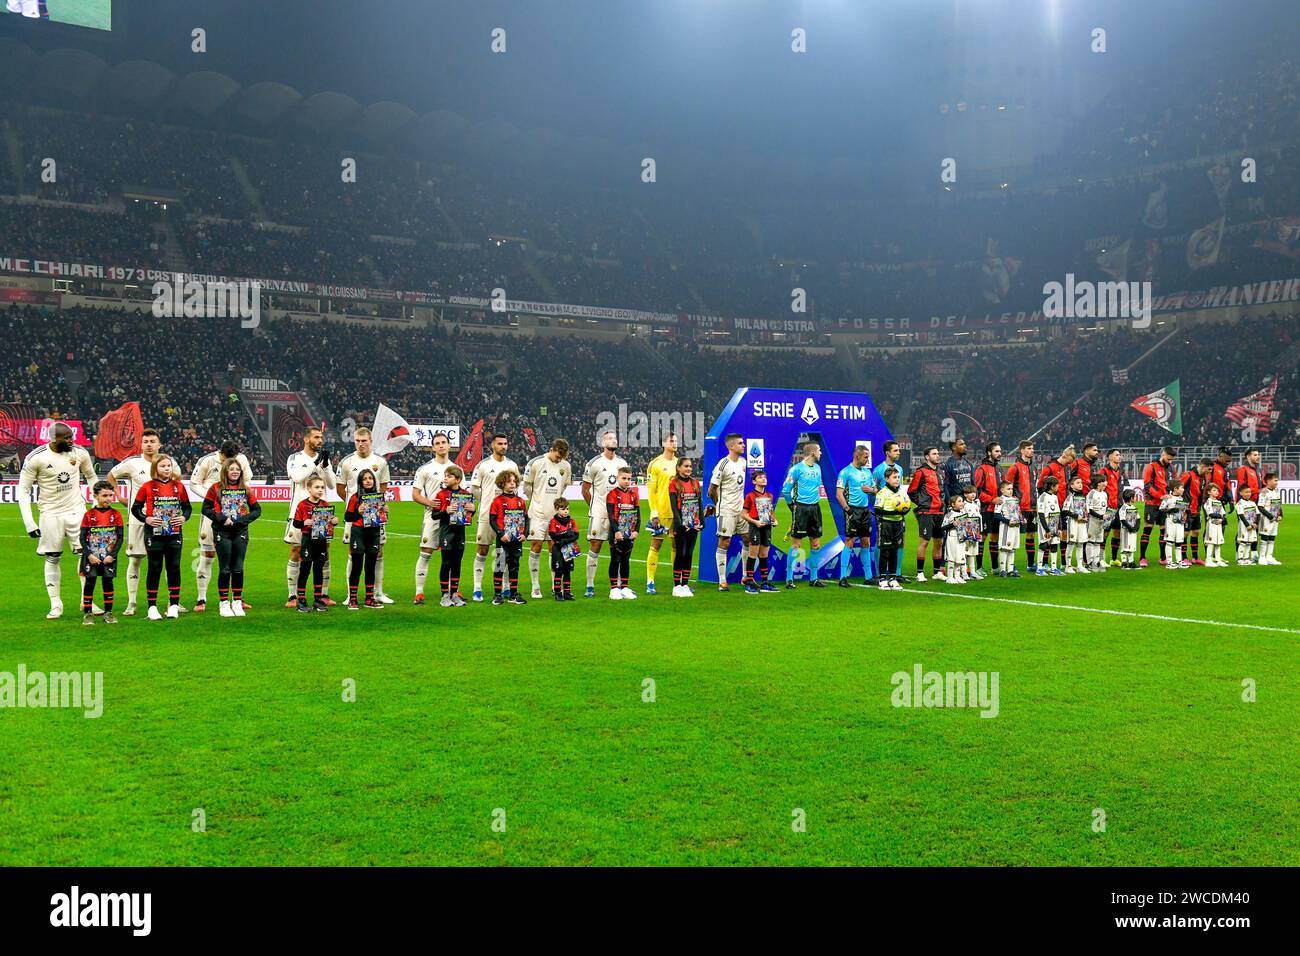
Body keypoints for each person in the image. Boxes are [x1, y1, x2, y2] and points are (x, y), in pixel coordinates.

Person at [19, 421, 98, 619]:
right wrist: (29, 522)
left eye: (72, 437)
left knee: (85, 555)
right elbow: (23, 490)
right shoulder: (36, 458)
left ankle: (86, 601)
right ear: (54, 439)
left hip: (76, 510)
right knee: (53, 557)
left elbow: (91, 476)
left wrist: (96, 505)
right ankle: (56, 604)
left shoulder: (79, 453)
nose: (72, 441)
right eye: (67, 438)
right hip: (50, 513)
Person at [188, 440, 252, 612]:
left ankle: (237, 598)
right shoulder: (207, 460)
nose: (229, 464)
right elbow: (194, 483)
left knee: (234, 558)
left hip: (236, 515)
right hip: (212, 516)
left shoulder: (242, 460)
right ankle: (201, 598)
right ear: (220, 454)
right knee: (207, 555)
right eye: (225, 460)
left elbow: (247, 483)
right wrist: (214, 499)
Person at [108, 427, 162, 615]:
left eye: (152, 441)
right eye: (146, 442)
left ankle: (173, 601)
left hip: (162, 520)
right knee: (136, 558)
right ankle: (131, 602)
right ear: (141, 444)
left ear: (159, 444)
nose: (149, 445)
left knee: (166, 560)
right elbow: (111, 476)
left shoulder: (167, 463)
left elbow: (176, 482)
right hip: (138, 518)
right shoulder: (132, 463)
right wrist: (119, 496)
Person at [131, 454, 192, 620]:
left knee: (174, 567)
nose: (167, 469)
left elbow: (187, 508)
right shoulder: (147, 486)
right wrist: (147, 519)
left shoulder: (178, 487)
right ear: (155, 468)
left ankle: (173, 605)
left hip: (174, 533)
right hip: (154, 533)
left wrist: (183, 518)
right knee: (155, 568)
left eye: (169, 466)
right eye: (163, 466)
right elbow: (135, 508)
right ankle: (152, 607)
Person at [336, 427, 393, 604]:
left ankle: (378, 592)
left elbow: (383, 486)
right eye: (357, 441)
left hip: (375, 517)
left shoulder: (380, 462)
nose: (361, 444)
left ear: (370, 441)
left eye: (364, 441)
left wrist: (377, 506)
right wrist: (354, 506)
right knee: (353, 552)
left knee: (379, 551)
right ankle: (350, 594)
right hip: (355, 517)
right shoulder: (346, 462)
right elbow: (340, 488)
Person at [201, 457, 261, 617]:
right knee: (225, 568)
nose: (234, 472)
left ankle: (237, 601)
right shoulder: (215, 488)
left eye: (237, 469)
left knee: (238, 568)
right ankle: (224, 602)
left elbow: (257, 510)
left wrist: (242, 520)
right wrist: (222, 518)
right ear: (225, 471)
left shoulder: (246, 490)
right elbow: (205, 508)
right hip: (222, 532)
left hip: (240, 531)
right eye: (231, 469)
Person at [285, 428, 337, 607]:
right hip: (299, 513)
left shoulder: (323, 460)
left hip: (322, 515)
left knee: (324, 553)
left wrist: (326, 465)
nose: (320, 440)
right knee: (296, 551)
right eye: (316, 437)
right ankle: (293, 596)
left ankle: (323, 594)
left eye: (321, 437)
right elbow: (297, 477)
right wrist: (316, 463)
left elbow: (331, 485)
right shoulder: (295, 458)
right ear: (306, 439)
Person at [523, 438, 572, 599]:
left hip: (555, 517)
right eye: (558, 456)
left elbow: (564, 486)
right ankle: (535, 586)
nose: (559, 460)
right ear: (552, 449)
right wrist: (536, 500)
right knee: (536, 546)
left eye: (562, 458)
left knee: (555, 549)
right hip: (537, 514)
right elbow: (527, 487)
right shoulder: (536, 463)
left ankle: (554, 585)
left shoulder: (566, 466)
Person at [580, 431, 625, 598]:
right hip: (599, 513)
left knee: (619, 549)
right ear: (602, 442)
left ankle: (619, 585)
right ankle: (590, 585)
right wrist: (594, 508)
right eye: (608, 438)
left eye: (614, 437)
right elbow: (585, 490)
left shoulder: (622, 462)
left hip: (619, 515)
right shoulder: (594, 463)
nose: (612, 440)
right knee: (596, 546)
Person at [411, 432, 454, 605]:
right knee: (426, 553)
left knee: (451, 556)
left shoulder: (456, 469)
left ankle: (452, 592)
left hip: (451, 520)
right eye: (438, 443)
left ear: (449, 445)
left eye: (444, 442)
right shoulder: (425, 469)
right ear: (433, 447)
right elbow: (415, 494)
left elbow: (462, 493)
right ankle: (419, 592)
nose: (441, 445)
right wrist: (431, 503)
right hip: (432, 518)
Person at [79, 480, 123, 626]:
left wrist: (113, 555)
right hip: (91, 558)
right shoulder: (89, 515)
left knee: (108, 582)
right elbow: (82, 537)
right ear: (95, 496)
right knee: (90, 582)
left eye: (111, 495)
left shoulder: (116, 514)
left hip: (108, 558)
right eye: (105, 495)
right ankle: (87, 613)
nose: (109, 499)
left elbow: (120, 537)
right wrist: (89, 555)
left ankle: (108, 612)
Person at [291, 476, 338, 611]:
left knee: (319, 569)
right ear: (309, 489)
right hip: (308, 540)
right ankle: (301, 599)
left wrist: (334, 521)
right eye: (317, 487)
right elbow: (296, 522)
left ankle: (318, 599)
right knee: (305, 569)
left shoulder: (324, 504)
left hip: (321, 541)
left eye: (322, 487)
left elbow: (328, 522)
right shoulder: (302, 505)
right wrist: (304, 523)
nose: (320, 490)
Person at [709, 433, 749, 592]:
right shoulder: (722, 464)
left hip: (741, 509)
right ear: (731, 446)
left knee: (747, 539)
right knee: (724, 542)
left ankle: (745, 576)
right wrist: (719, 505)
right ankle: (722, 580)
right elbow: (712, 489)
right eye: (740, 443)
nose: (743, 445)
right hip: (726, 510)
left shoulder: (744, 462)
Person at [431, 465, 474, 606]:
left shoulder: (465, 494)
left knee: (457, 563)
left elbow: (468, 516)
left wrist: (472, 510)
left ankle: (454, 593)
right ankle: (444, 595)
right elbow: (434, 515)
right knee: (446, 563)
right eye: (445, 475)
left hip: (459, 533)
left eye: (449, 476)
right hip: (446, 533)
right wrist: (446, 510)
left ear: (458, 479)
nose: (446, 478)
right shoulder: (441, 494)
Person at [344, 468, 388, 609]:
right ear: (360, 482)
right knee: (356, 566)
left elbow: (383, 519)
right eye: (365, 479)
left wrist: (385, 512)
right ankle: (353, 599)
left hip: (374, 533)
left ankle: (369, 598)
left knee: (370, 567)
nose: (368, 481)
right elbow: (347, 517)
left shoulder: (379, 498)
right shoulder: (355, 497)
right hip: (359, 533)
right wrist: (358, 512)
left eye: (370, 478)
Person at [643, 432, 679, 595]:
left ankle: (677, 582)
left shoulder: (679, 463)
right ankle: (650, 581)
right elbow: (651, 491)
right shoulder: (655, 464)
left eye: (676, 441)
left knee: (676, 546)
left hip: (677, 513)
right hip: (662, 512)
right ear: (663, 443)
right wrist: (654, 512)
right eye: (671, 441)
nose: (675, 443)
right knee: (656, 544)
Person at [836, 444, 874, 588]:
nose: (867, 460)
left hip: (865, 511)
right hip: (852, 510)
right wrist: (847, 509)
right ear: (857, 456)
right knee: (849, 541)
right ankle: (842, 577)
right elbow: (838, 494)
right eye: (865, 457)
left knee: (866, 542)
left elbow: (875, 489)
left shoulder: (867, 472)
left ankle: (868, 577)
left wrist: (870, 489)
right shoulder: (845, 472)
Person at [488, 470, 528, 605]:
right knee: (499, 566)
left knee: (514, 566)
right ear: (502, 483)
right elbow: (492, 520)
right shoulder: (497, 501)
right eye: (508, 482)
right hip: (503, 540)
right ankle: (497, 595)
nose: (512, 484)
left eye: (514, 482)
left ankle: (513, 594)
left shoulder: (520, 501)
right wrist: (501, 534)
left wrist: (525, 534)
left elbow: (526, 519)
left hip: (516, 541)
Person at [669, 458, 707, 597]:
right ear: (678, 467)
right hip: (681, 526)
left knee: (689, 554)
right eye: (686, 466)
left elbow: (699, 503)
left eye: (690, 466)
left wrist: (702, 522)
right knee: (681, 554)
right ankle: (676, 586)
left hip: (694, 525)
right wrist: (680, 524)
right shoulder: (674, 483)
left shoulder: (695, 482)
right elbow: (674, 506)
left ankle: (685, 584)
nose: (689, 468)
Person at [907, 446, 945, 582]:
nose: (937, 455)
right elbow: (911, 491)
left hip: (940, 511)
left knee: (939, 542)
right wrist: (922, 503)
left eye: (938, 453)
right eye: (934, 454)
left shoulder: (940, 472)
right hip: (926, 512)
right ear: (927, 457)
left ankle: (937, 572)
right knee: (924, 541)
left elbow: (941, 491)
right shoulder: (920, 472)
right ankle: (920, 573)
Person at [1004, 440, 1041, 572]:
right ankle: (1010, 565)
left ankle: (1031, 565)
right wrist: (1013, 504)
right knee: (1013, 536)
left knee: (1031, 535)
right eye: (1029, 448)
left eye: (1032, 448)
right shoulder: (1015, 467)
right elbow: (1007, 486)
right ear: (1022, 450)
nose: (1032, 450)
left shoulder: (1033, 466)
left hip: (1032, 507)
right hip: (1020, 508)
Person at [869, 440, 904, 579]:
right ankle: (879, 574)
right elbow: (873, 490)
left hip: (898, 512)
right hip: (884, 513)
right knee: (882, 543)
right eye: (895, 450)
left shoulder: (899, 469)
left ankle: (897, 574)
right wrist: (878, 507)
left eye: (898, 450)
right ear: (887, 452)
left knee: (900, 543)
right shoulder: (878, 470)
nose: (898, 452)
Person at [605, 466, 640, 600]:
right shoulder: (612, 494)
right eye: (624, 478)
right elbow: (610, 515)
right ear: (618, 478)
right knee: (615, 560)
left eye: (629, 479)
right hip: (616, 534)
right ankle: (613, 588)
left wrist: (636, 530)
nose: (626, 481)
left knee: (626, 560)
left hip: (629, 534)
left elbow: (638, 515)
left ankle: (624, 587)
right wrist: (616, 531)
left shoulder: (634, 494)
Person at [742, 468, 778, 593]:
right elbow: (744, 514)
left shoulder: (769, 496)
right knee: (753, 554)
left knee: (764, 555)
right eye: (760, 477)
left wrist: (774, 521)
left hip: (766, 527)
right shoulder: (750, 496)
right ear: (754, 481)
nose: (764, 479)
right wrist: (755, 522)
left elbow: (770, 513)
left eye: (764, 477)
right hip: (755, 526)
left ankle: (764, 582)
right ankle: (750, 581)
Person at [1139, 446, 1176, 568]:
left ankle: (1163, 558)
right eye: (1169, 459)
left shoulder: (1171, 468)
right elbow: (1147, 485)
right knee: (1148, 529)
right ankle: (1142, 558)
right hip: (1152, 504)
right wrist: (1160, 495)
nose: (1170, 461)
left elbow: (1172, 484)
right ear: (1163, 455)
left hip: (1164, 505)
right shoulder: (1151, 467)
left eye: (1172, 460)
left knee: (1163, 530)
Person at [874, 467, 910, 589]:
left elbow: (907, 507)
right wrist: (895, 512)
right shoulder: (882, 493)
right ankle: (883, 579)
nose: (897, 480)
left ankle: (893, 578)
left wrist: (904, 511)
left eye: (898, 477)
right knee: (885, 551)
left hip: (898, 524)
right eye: (894, 477)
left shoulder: (901, 492)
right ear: (886, 479)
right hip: (885, 524)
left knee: (895, 551)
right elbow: (877, 510)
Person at [973, 442, 1002, 577]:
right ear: (989, 453)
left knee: (995, 537)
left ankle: (995, 567)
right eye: (996, 451)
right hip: (986, 509)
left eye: (1000, 451)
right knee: (982, 537)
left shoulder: (1000, 469)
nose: (999, 453)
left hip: (998, 510)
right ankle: (978, 567)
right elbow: (976, 490)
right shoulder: (982, 469)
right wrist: (991, 499)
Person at [1179, 457, 1211, 565]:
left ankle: (1195, 557)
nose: (1209, 472)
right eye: (1209, 469)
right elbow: (1178, 489)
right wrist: (1182, 508)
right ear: (1202, 466)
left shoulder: (1204, 478)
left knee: (1196, 532)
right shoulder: (1188, 475)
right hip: (1187, 509)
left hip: (1196, 509)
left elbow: (1201, 493)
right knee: (1185, 533)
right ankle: (1183, 557)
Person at [547, 497, 580, 601]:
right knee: (558, 570)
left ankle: (567, 592)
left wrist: (565, 540)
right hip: (557, 549)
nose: (566, 511)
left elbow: (576, 535)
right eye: (563, 509)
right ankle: (557, 592)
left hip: (569, 548)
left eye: (567, 509)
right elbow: (553, 535)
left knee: (567, 570)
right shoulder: (553, 521)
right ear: (557, 509)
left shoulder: (572, 521)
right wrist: (565, 534)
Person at [1099, 448, 1125, 566]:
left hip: (1119, 506)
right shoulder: (1103, 471)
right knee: (1104, 533)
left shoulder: (1121, 472)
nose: (1119, 457)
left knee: (1117, 532)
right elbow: (1097, 487)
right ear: (1110, 457)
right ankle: (1101, 558)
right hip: (1108, 507)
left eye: (1120, 455)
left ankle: (1114, 559)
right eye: (1117, 455)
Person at [994, 479, 1022, 578]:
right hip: (1006, 527)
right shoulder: (1000, 500)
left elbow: (1017, 512)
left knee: (1012, 549)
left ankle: (1010, 570)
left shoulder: (1015, 499)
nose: (1011, 491)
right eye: (1008, 489)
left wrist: (1022, 519)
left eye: (1012, 489)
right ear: (1002, 490)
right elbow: (996, 515)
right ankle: (1003, 570)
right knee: (1005, 548)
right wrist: (1007, 521)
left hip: (1015, 527)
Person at [1036, 475, 1063, 576]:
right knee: (1043, 545)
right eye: (1057, 485)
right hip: (1045, 525)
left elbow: (1058, 512)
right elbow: (1041, 514)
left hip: (1054, 524)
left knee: (1054, 545)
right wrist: (1046, 529)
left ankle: (1054, 568)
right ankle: (1039, 568)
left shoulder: (1055, 497)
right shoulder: (1042, 497)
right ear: (1052, 486)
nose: (1058, 487)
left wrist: (1059, 527)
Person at [1160, 478, 1189, 569]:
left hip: (1180, 522)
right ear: (1175, 489)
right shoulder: (1168, 498)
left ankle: (1178, 561)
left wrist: (1186, 510)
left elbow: (1183, 510)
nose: (1183, 489)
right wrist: (1171, 510)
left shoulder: (1181, 498)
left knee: (1179, 542)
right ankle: (1169, 562)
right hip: (1170, 522)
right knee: (1169, 541)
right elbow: (1161, 509)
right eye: (1181, 488)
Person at [1063, 473, 1089, 573]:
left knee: (1080, 543)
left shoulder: (1083, 496)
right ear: (1072, 485)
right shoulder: (1070, 497)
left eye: (1081, 483)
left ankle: (1079, 565)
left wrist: (1085, 516)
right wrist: (1076, 516)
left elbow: (1085, 509)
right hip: (1073, 523)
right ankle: (1068, 566)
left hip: (1082, 523)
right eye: (1077, 483)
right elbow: (1065, 510)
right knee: (1071, 543)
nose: (1080, 484)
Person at [940, 495, 968, 585]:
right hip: (952, 538)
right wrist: (952, 524)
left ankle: (957, 576)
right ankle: (950, 577)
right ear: (953, 504)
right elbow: (942, 527)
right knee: (951, 558)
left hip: (961, 538)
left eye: (962, 501)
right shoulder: (949, 514)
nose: (961, 503)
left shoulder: (963, 513)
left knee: (959, 557)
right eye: (959, 501)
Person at [1257, 472, 1283, 565]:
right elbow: (1260, 506)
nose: (1277, 482)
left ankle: (1269, 556)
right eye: (1275, 480)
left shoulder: (1276, 491)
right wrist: (1270, 516)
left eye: (1277, 480)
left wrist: (1281, 515)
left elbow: (1278, 505)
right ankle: (1262, 557)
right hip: (1266, 519)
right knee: (1265, 537)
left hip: (1275, 519)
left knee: (1272, 537)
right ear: (1268, 481)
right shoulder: (1264, 492)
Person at [1085, 474, 1110, 572]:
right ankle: (1089, 562)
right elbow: (1089, 510)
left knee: (1098, 542)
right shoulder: (1091, 494)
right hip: (1093, 520)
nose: (1105, 483)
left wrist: (1107, 515)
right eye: (1103, 481)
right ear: (1098, 483)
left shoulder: (1104, 494)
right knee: (1091, 541)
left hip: (1101, 521)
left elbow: (1105, 507)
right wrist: (1100, 516)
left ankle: (1096, 561)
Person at [1202, 483, 1228, 567]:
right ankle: (1208, 560)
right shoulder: (1208, 502)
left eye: (1217, 490)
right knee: (1211, 542)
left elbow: (1223, 513)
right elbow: (1210, 514)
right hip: (1211, 524)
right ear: (1209, 492)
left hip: (1218, 525)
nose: (1216, 492)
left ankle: (1218, 559)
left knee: (1218, 542)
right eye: (1214, 490)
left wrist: (1222, 519)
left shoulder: (1218, 502)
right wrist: (1220, 517)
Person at [960, 485, 982, 579]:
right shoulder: (963, 505)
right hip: (966, 532)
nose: (973, 494)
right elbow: (961, 518)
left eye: (974, 492)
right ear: (965, 494)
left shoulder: (976, 504)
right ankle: (964, 573)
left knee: (973, 553)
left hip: (975, 532)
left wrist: (979, 532)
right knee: (965, 552)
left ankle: (973, 572)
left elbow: (979, 517)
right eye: (970, 493)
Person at [1118, 488, 1141, 570]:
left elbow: (1138, 518)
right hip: (1125, 531)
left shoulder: (1134, 507)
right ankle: (1124, 562)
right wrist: (1130, 528)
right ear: (1131, 498)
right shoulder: (1123, 508)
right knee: (1124, 546)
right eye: (1134, 497)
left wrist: (1136, 527)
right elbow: (1122, 520)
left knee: (1132, 546)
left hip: (1133, 531)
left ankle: (1131, 562)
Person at [1235, 486, 1260, 565]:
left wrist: (1256, 523)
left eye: (1249, 492)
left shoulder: (1252, 503)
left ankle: (1246, 558)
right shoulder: (1240, 503)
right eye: (1246, 492)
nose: (1248, 494)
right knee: (1243, 542)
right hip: (1244, 527)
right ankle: (1240, 559)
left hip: (1252, 526)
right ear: (1241, 493)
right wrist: (1247, 525)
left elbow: (1258, 514)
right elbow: (1241, 515)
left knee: (1249, 542)